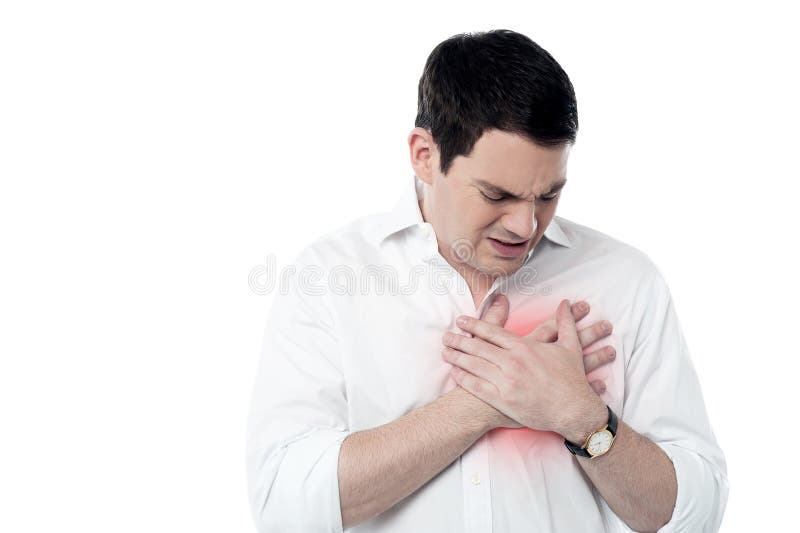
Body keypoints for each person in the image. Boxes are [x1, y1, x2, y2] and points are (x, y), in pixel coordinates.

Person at [245, 29, 729, 532]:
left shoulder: (626, 280)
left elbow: (697, 514)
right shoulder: (327, 279)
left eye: (549, 195)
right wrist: (483, 404)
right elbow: (284, 506)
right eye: (497, 195)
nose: (525, 225)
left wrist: (581, 416)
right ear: (425, 156)